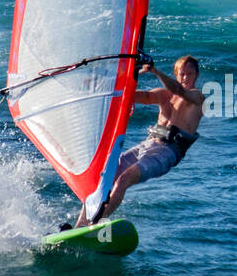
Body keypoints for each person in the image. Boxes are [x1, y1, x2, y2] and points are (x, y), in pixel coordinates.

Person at [73, 54, 204, 227]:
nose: (186, 78)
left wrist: (156, 72)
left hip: (168, 152)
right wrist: (102, 85)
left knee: (124, 179)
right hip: (147, 145)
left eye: (190, 74)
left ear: (197, 75)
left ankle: (94, 223)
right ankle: (79, 226)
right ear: (176, 74)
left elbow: (180, 91)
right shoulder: (163, 95)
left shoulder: (197, 97)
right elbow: (133, 96)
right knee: (104, 175)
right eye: (182, 74)